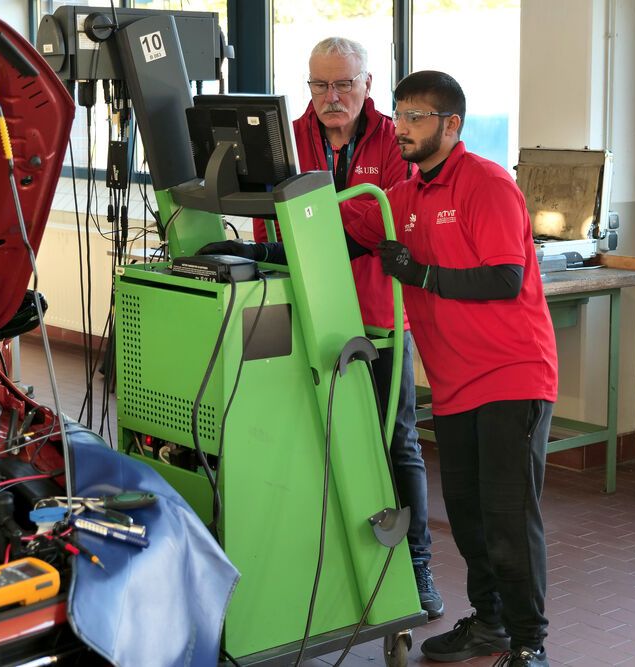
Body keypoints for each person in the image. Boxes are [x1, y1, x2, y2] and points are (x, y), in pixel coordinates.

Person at [198, 37, 443, 620]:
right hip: (297, 312)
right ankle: (324, 561)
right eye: (319, 85)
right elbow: (269, 207)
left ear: (367, 83)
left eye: (343, 84)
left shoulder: (394, 138)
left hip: (377, 320)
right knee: (300, 437)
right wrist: (324, 214)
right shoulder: (285, 134)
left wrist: (308, 211)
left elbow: (381, 220)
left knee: (397, 443)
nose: (331, 98)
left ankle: (418, 569)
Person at [339, 70, 557, 667]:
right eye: (399, 115)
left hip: (513, 376)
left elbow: (505, 277)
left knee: (508, 516)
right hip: (455, 385)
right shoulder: (403, 198)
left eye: (415, 117)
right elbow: (345, 225)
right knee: (465, 516)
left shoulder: (486, 184)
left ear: (450, 124)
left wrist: (421, 275)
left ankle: (530, 641)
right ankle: (489, 623)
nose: (401, 128)